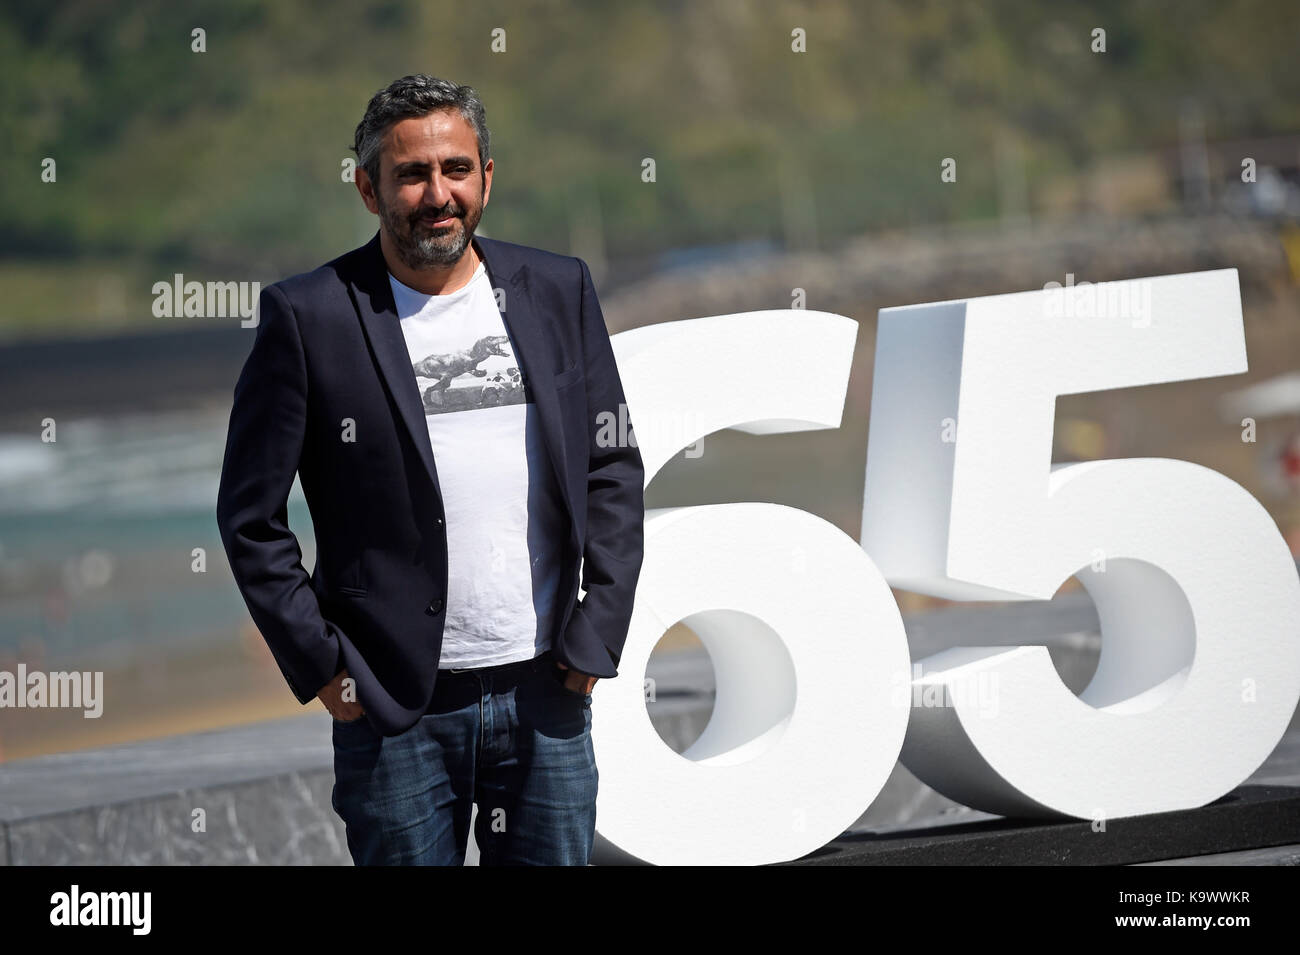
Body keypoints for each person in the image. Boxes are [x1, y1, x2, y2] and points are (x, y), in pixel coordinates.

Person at [215, 74, 646, 865]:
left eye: (456, 168)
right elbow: (250, 518)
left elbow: (611, 462)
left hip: (546, 688)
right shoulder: (309, 315)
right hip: (391, 709)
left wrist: (596, 635)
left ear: (488, 175)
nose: (436, 193)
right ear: (368, 187)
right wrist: (324, 670)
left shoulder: (556, 290)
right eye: (411, 173)